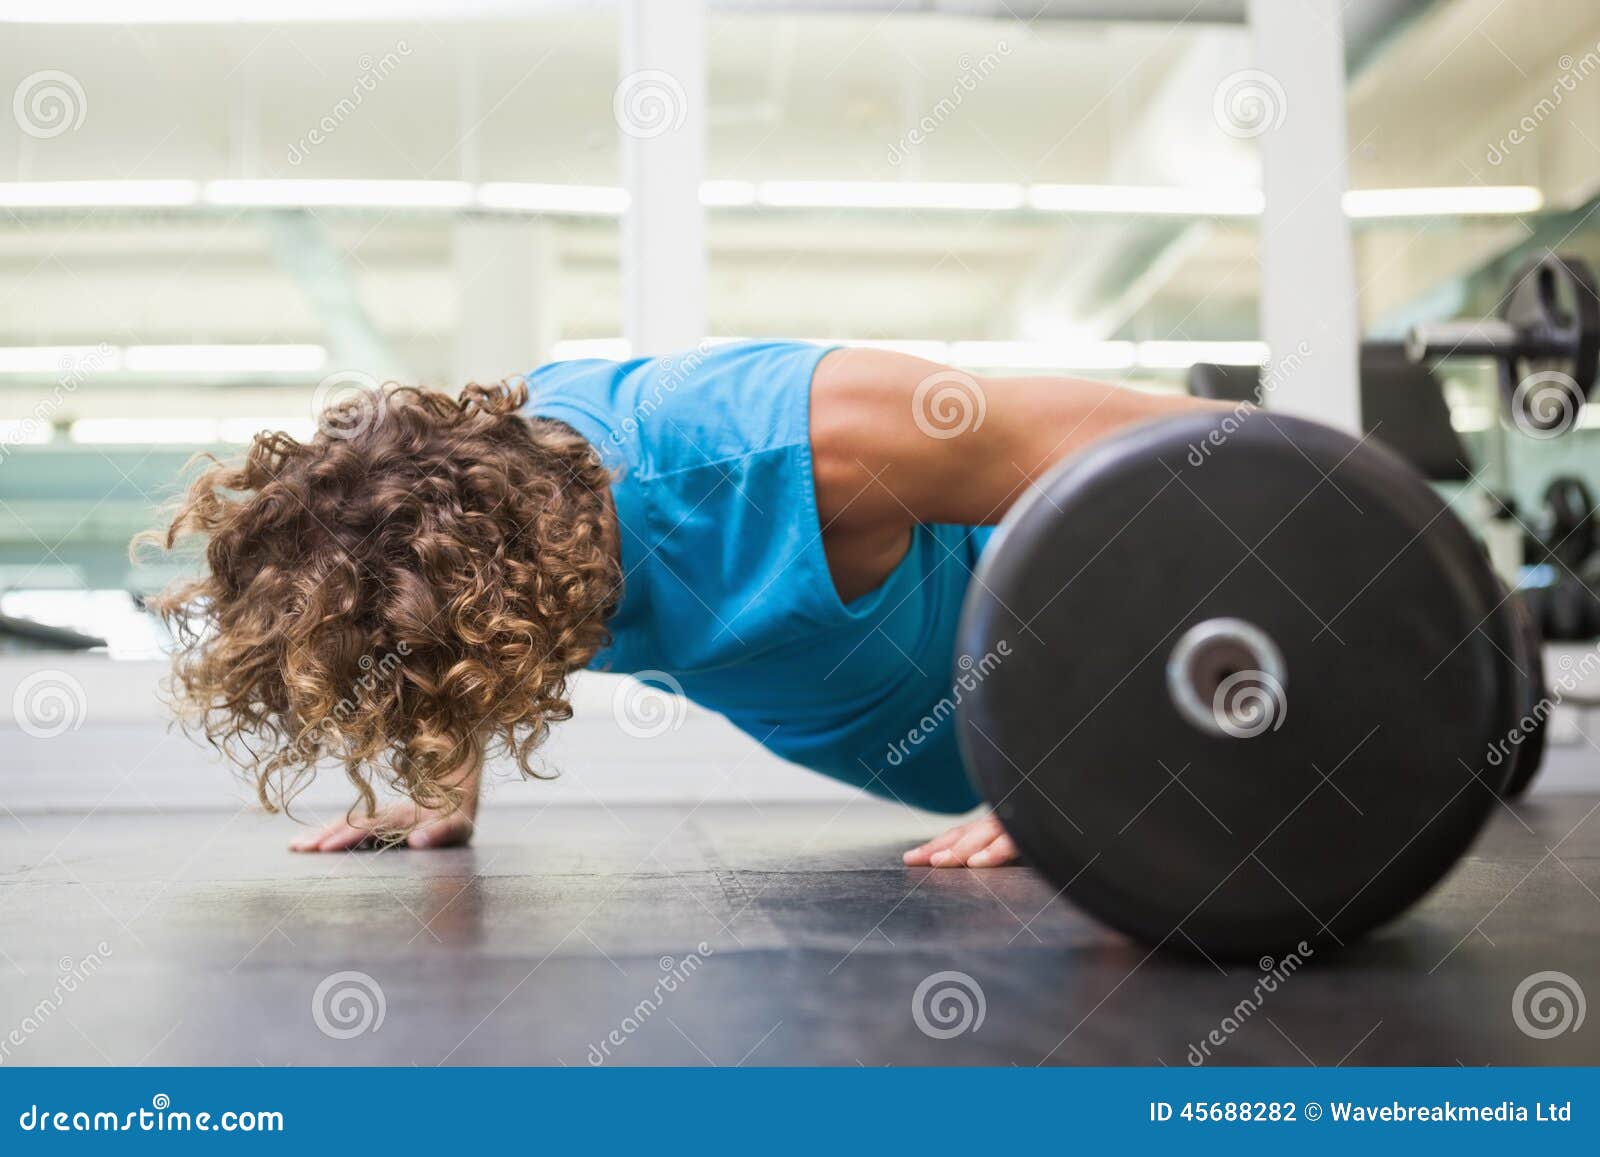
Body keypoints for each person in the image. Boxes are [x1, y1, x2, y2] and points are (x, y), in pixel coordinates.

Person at [142, 341, 1216, 869]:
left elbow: (1209, 454)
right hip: (939, 776)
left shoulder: (810, 439)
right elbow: (435, 618)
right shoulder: (480, 542)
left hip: (1113, 713)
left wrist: (1091, 782)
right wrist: (443, 787)